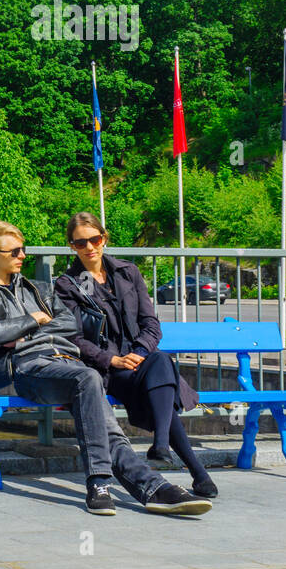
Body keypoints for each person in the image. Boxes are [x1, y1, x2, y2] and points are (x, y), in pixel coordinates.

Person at [0, 219, 210, 516]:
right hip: (27, 369)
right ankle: (101, 481)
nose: (23, 256)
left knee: (98, 407)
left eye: (23, 249)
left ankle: (148, 487)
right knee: (88, 379)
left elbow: (67, 324)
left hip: (67, 365)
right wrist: (35, 319)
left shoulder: (39, 288)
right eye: (14, 251)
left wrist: (20, 329)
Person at [54, 212, 216, 498]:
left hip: (140, 363)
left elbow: (151, 324)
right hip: (106, 371)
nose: (89, 247)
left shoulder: (128, 272)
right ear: (72, 246)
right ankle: (193, 469)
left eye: (95, 239)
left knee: (161, 362)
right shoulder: (68, 285)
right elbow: (73, 338)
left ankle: (164, 447)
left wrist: (139, 352)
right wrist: (112, 360)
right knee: (162, 377)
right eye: (81, 243)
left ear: (104, 238)